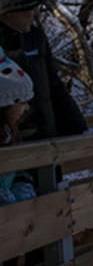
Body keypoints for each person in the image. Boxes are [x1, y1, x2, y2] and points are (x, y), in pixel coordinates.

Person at [0, 0, 86, 141]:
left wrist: (73, 125)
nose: (34, 14)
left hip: (45, 137)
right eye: (27, 9)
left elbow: (53, 82)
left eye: (36, 7)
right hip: (11, 147)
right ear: (7, 12)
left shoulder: (34, 36)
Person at [0, 49, 37, 205]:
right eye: (21, 102)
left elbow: (17, 170)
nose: (26, 108)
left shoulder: (9, 132)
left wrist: (22, 186)